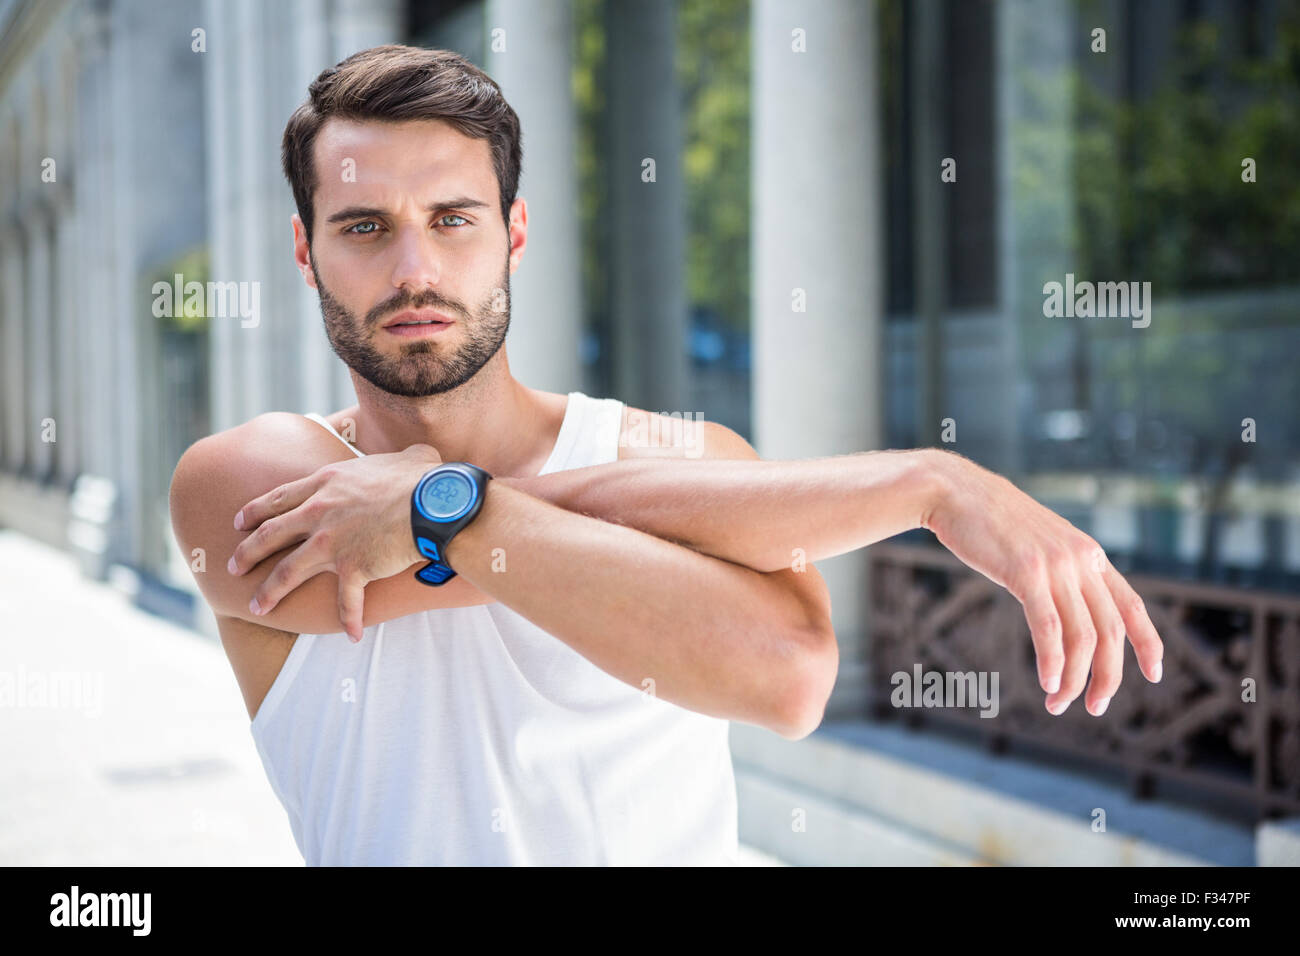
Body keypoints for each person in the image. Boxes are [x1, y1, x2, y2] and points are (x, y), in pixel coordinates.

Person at [168, 45, 1163, 866]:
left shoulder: (687, 453)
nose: (415, 267)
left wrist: (439, 506)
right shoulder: (251, 482)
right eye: (363, 226)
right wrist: (915, 483)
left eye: (453, 218)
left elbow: (787, 681)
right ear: (305, 251)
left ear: (514, 232)